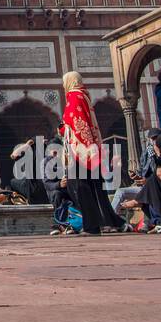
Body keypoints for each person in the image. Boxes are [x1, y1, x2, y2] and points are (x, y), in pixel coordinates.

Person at [60, 71, 121, 234]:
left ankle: (92, 225)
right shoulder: (84, 95)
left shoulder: (73, 96)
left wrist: (85, 146)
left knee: (82, 189)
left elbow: (77, 122)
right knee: (97, 188)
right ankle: (111, 222)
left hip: (81, 148)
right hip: (92, 147)